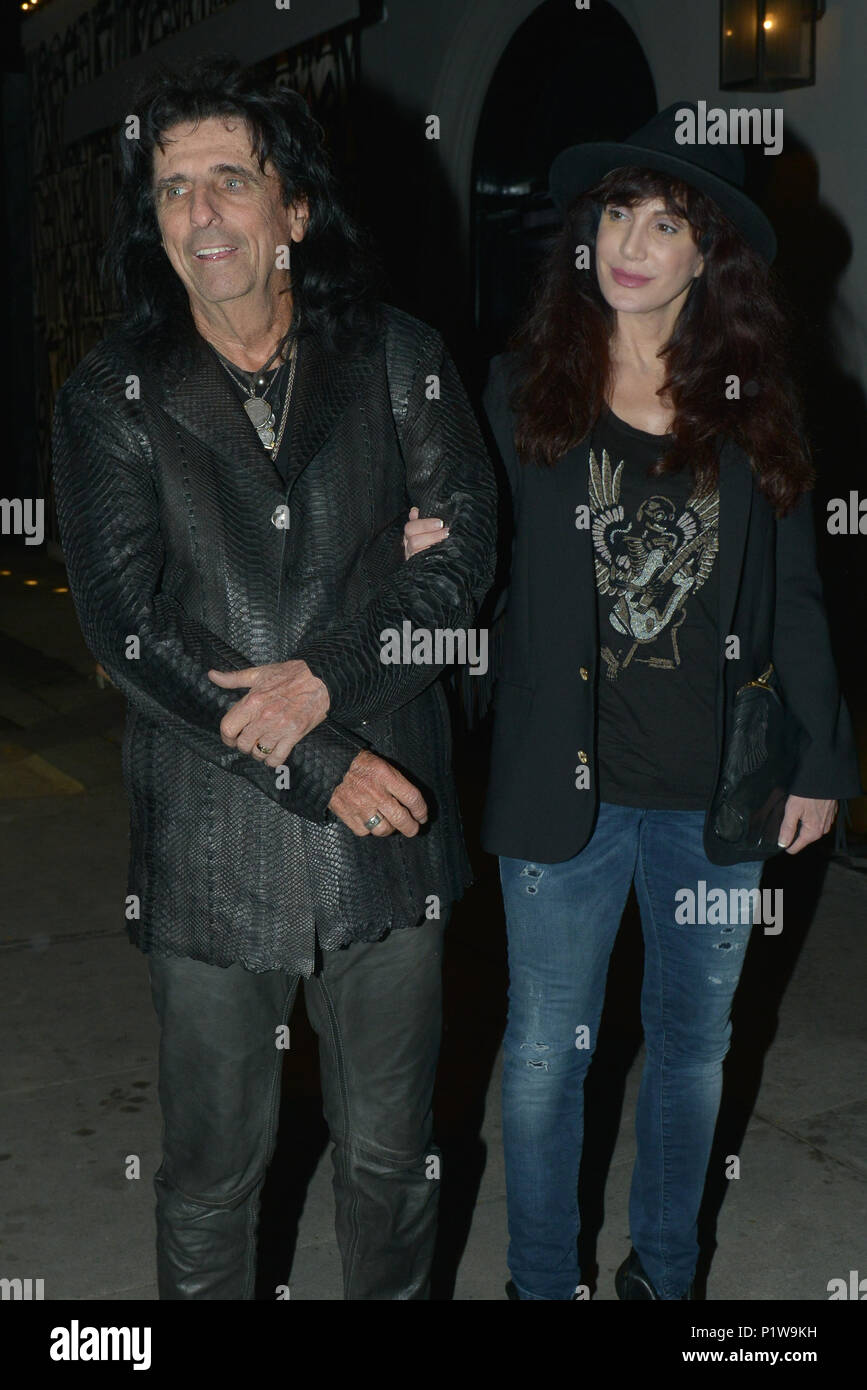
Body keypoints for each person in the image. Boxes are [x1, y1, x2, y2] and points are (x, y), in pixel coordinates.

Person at [51, 57, 496, 1300]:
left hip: (389, 835)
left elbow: (468, 557)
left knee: (392, 1165)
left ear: (294, 208)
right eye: (172, 188)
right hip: (213, 847)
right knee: (212, 1178)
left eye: (229, 181)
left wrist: (329, 680)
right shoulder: (110, 398)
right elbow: (127, 631)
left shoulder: (399, 358)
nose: (199, 212)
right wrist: (313, 752)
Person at [403, 103, 861, 1300]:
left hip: (719, 793)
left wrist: (822, 761)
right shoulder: (519, 390)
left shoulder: (755, 402)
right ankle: (541, 1282)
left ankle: (665, 1274)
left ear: (709, 256)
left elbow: (795, 593)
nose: (632, 243)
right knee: (543, 1055)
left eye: (666, 223)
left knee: (694, 1051)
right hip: (564, 788)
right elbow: (471, 550)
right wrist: (420, 544)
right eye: (617, 213)